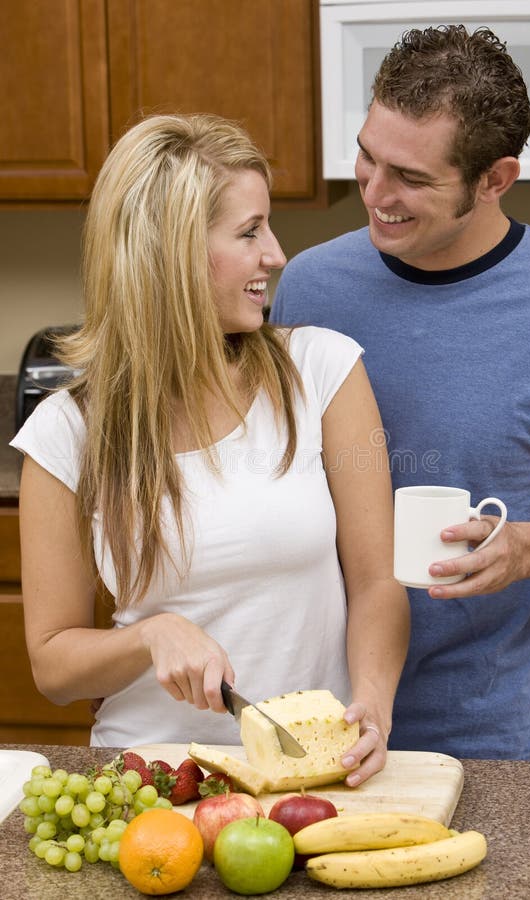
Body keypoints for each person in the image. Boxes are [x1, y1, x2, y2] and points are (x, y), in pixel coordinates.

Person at [270, 25, 530, 760]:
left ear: (495, 179)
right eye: (367, 156)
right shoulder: (310, 286)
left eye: (411, 178)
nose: (375, 193)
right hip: (308, 715)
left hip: (477, 732)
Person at [10, 113, 409, 786]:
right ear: (172, 256)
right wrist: (148, 635)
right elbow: (53, 666)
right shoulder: (64, 433)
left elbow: (377, 582)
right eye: (249, 232)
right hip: (155, 781)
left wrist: (372, 700)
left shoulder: (325, 370)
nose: (275, 255)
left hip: (310, 774)